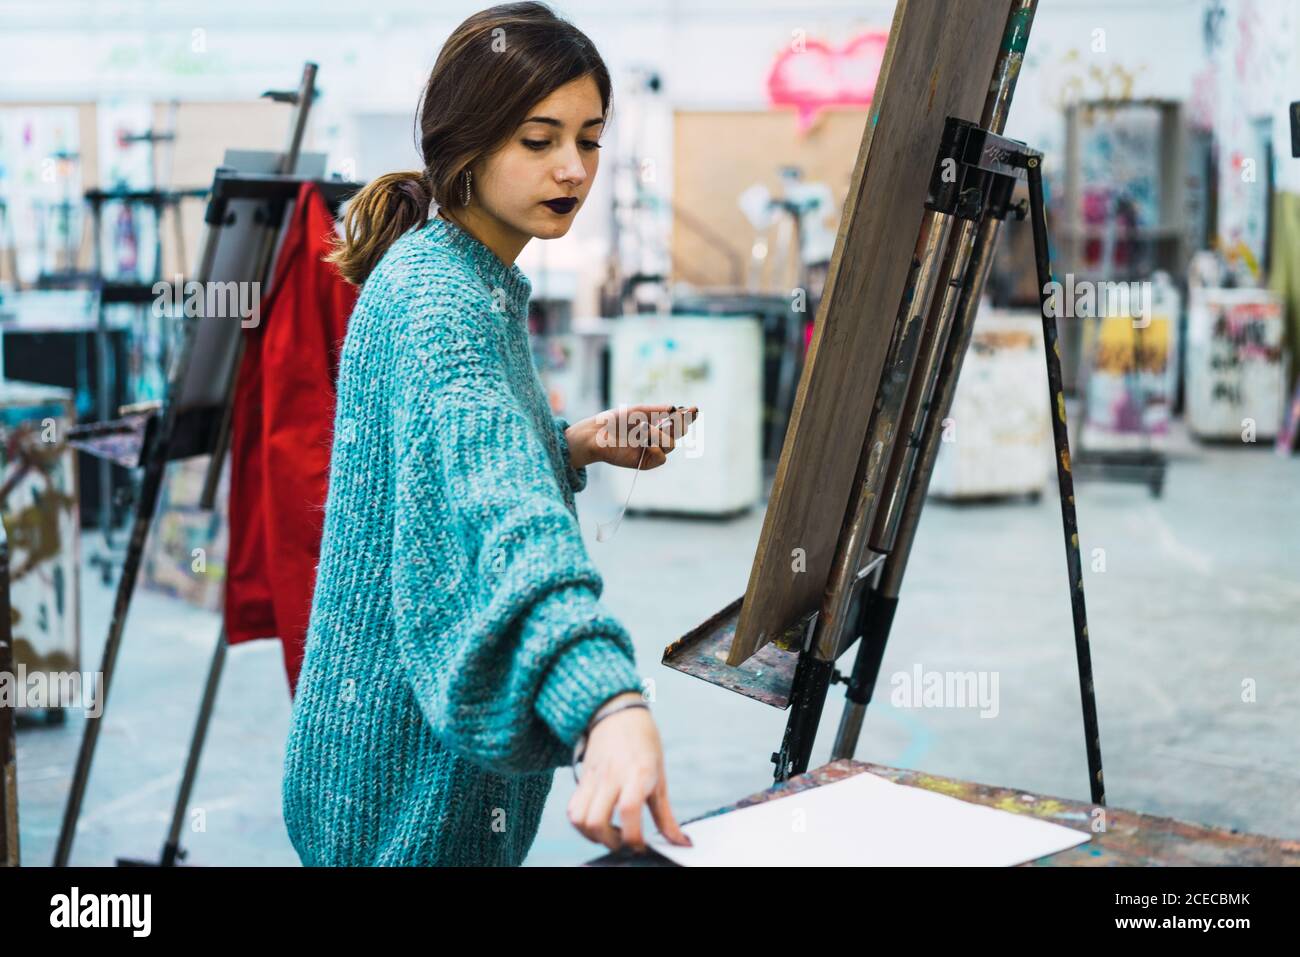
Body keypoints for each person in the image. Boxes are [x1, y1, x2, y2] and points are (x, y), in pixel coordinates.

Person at [281, 1, 696, 866]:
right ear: (468, 142)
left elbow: (463, 459)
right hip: (399, 788)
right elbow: (505, 513)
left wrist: (574, 442)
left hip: (393, 758)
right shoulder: (444, 302)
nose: (573, 168)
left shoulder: (469, 275)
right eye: (539, 139)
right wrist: (607, 702)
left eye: (588, 138)